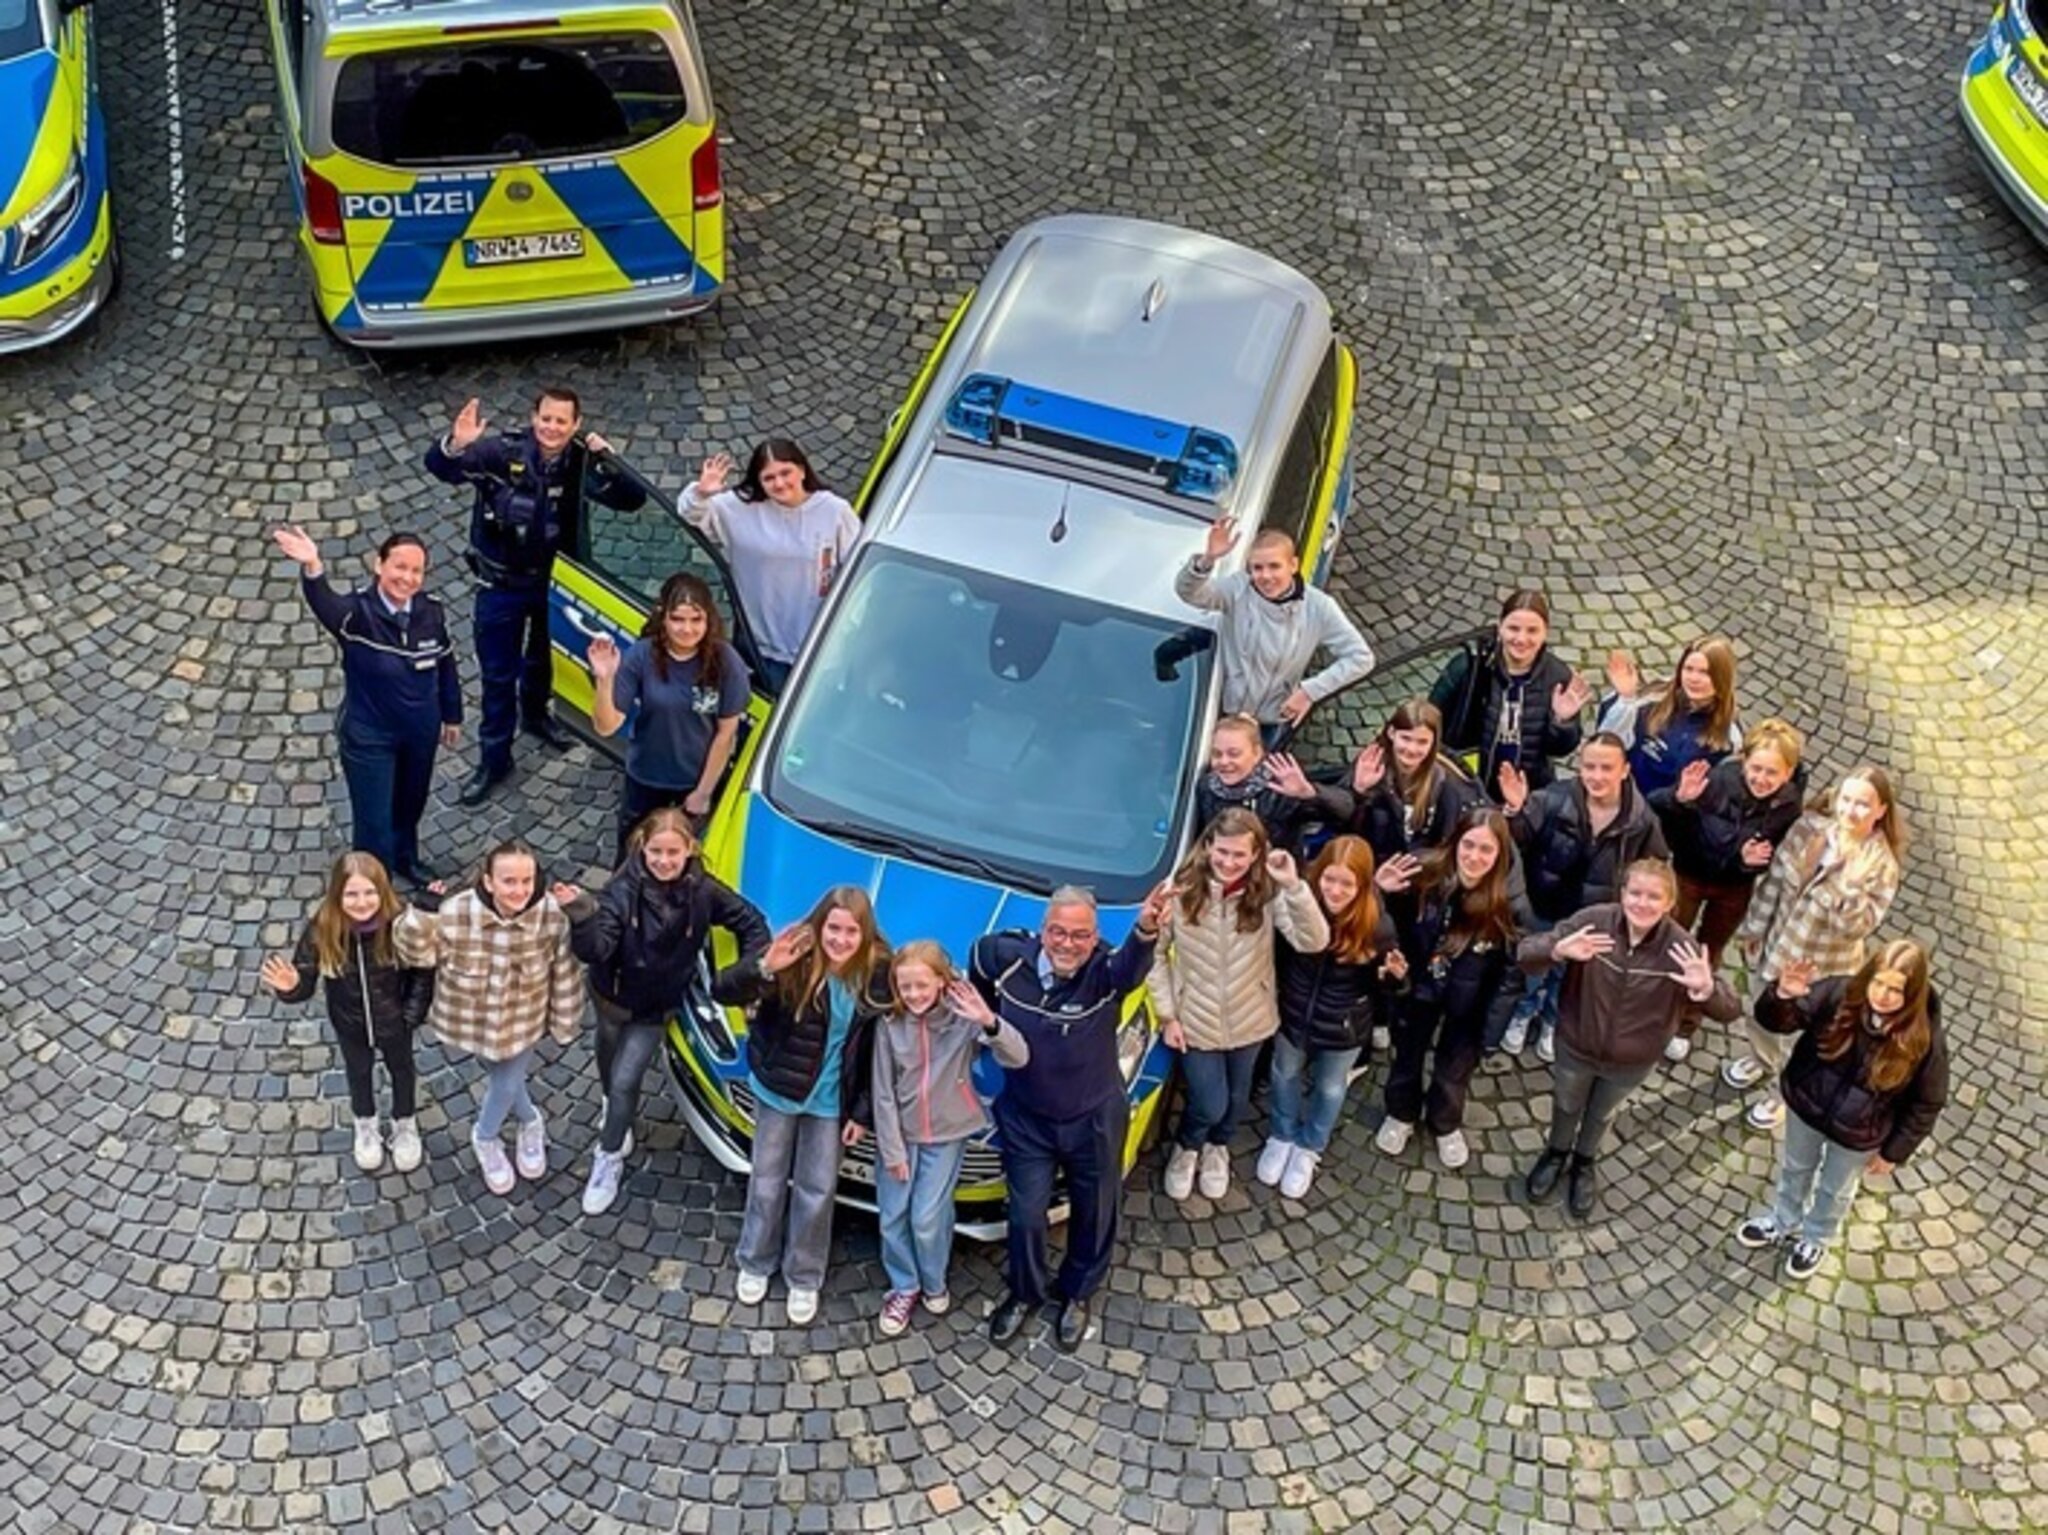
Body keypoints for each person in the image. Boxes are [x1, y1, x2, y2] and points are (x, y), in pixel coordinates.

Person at [971, 879, 1174, 1353]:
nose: (1068, 944)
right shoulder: (1002, 955)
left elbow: (1131, 968)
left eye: (1080, 935)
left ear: (1095, 935)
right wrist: (985, 1026)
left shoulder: (1105, 969)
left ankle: (1078, 1293)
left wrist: (1145, 928)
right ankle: (1024, 1293)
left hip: (1094, 1117)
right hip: (1027, 1117)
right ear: (1043, 930)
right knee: (1025, 1214)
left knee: (1096, 1211)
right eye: (1059, 932)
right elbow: (977, 973)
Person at [423, 390, 635, 806]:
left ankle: (536, 716)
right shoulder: (501, 453)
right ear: (533, 418)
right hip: (500, 587)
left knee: (542, 658)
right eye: (546, 419)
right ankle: (495, 758)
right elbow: (441, 469)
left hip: (553, 584)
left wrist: (610, 462)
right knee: (498, 676)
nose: (552, 428)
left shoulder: (581, 461)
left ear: (576, 424)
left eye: (561, 421)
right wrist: (457, 444)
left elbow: (631, 501)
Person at [557, 809, 770, 1217]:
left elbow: (751, 923)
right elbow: (596, 950)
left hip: (655, 1008)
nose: (664, 861)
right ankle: (613, 1112)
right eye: (656, 851)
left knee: (624, 1081)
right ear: (643, 847)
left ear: (689, 849)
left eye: (673, 852)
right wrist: (583, 915)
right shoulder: (622, 890)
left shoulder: (703, 890)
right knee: (607, 1064)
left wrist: (748, 979)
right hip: (611, 998)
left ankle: (608, 1155)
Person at [1519, 860, 1738, 1218]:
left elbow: (1730, 1010)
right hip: (1577, 1045)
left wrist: (1708, 989)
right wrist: (1557, 951)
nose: (1642, 903)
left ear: (1669, 903)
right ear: (1622, 894)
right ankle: (1556, 1153)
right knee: (1566, 1103)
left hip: (1631, 1061)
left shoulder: (1680, 949)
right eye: (1635, 892)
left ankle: (1584, 1162)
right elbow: (1525, 954)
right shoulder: (1594, 922)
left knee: (1602, 1113)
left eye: (1654, 896)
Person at [714, 886, 890, 1326]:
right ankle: (755, 1261)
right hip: (779, 1090)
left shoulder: (875, 975)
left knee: (817, 1190)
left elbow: (876, 1054)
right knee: (768, 1180)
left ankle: (804, 1276)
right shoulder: (792, 958)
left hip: (832, 1104)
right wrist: (764, 969)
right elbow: (724, 990)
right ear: (819, 925)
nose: (841, 940)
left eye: (851, 932)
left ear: (865, 935)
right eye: (834, 928)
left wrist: (862, 1113)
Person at [1737, 941, 1947, 1283]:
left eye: (1896, 990)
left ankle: (1815, 1237)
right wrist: (1783, 996)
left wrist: (1894, 1152)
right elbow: (1779, 1021)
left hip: (1859, 1134)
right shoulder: (1839, 994)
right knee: (1795, 1168)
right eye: (1878, 982)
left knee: (1835, 1190)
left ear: (1913, 993)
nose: (1882, 995)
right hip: (1808, 1106)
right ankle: (1783, 1220)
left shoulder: (1923, 1039)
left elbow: (1927, 1103)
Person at [1150, 808, 1330, 1204]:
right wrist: (1167, 1014)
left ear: (1255, 855)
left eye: (1239, 855)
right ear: (1209, 845)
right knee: (1209, 1100)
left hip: (1252, 1017)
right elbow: (1155, 956)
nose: (1229, 863)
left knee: (1236, 1099)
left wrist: (1296, 887)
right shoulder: (1180, 891)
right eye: (1223, 852)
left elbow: (1313, 941)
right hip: (1195, 1019)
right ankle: (1188, 1146)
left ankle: (1218, 1147)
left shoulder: (1266, 893)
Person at [393, 840, 585, 1196]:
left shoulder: (551, 916)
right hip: (472, 1021)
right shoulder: (455, 911)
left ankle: (485, 1137)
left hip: (524, 1020)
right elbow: (413, 953)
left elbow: (565, 972)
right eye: (509, 881)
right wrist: (422, 913)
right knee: (504, 1079)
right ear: (489, 881)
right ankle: (530, 1119)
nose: (519, 890)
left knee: (506, 1082)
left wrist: (565, 1022)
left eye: (526, 881)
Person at [272, 527, 460, 887]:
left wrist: (452, 713)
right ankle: (374, 887)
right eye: (399, 567)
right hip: (369, 735)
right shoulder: (356, 613)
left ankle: (407, 859)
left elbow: (445, 662)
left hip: (419, 731)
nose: (407, 578)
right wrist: (313, 565)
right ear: (379, 564)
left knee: (410, 803)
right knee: (374, 819)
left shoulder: (430, 612)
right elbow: (324, 600)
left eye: (416, 571)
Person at [1722, 768, 1905, 1130]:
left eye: (1863, 805)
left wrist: (1849, 889)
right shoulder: (1809, 828)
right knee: (1759, 1012)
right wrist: (1755, 927)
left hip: (1819, 968)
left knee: (1796, 1038)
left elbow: (1856, 929)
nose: (1851, 811)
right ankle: (1762, 1060)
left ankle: (1781, 1093)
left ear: (1881, 811)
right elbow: (1775, 879)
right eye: (1847, 800)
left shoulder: (1880, 867)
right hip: (1776, 946)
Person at [869, 942, 1029, 1337]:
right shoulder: (889, 1025)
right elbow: (882, 1092)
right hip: (901, 1135)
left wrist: (990, 1021)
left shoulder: (963, 1022)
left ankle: (933, 1279)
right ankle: (904, 1286)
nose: (914, 995)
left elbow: (1018, 1056)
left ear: (942, 982)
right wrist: (892, 1149)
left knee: (927, 1216)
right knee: (893, 1215)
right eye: (905, 987)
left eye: (922, 986)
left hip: (947, 1133)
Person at [1498, 731, 1670, 1060]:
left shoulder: (1641, 821)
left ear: (1625, 770)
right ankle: (1524, 1012)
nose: (1597, 776)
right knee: (1535, 966)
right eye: (1589, 767)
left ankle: (1552, 1019)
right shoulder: (1553, 799)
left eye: (1607, 768)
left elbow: (1655, 865)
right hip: (1543, 906)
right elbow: (1517, 841)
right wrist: (1516, 812)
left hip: (1595, 917)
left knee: (1570, 975)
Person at [260, 852, 433, 1174]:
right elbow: (305, 980)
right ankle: (365, 1124)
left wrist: (410, 1016)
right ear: (337, 894)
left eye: (369, 892)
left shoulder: (400, 924)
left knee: (402, 1070)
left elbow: (423, 972)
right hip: (349, 1023)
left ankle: (404, 1123)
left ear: (383, 892)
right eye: (352, 893)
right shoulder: (322, 929)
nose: (362, 901)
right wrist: (291, 986)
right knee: (359, 1072)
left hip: (396, 1021)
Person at [1646, 720, 1806, 1062]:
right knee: (1669, 938)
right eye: (1756, 769)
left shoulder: (1790, 806)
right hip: (1689, 873)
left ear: (1788, 773)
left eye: (1772, 773)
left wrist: (1751, 863)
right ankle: (1650, 1003)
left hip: (1734, 887)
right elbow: (1684, 830)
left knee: (1709, 952)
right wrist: (1683, 800)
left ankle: (1686, 1021)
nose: (1761, 779)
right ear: (1744, 761)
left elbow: (1773, 857)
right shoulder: (1717, 780)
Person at [1375, 808, 1523, 1171]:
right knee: (1407, 1054)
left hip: (1469, 998)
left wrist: (1492, 1031)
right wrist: (1379, 891)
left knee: (1455, 1068)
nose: (1474, 857)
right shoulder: (1424, 872)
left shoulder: (1510, 901)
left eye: (1485, 850)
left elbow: (1511, 973)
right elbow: (1385, 922)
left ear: (1500, 855)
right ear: (1456, 842)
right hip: (1419, 985)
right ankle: (1401, 1112)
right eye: (1468, 845)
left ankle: (1444, 1122)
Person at [1264, 835, 1405, 1198]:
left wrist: (1394, 980)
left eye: (1347, 883)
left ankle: (1311, 1146)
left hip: (1343, 1023)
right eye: (1330, 878)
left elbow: (1386, 991)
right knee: (1284, 1073)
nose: (1337, 890)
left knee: (1329, 1087)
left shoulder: (1378, 924)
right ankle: (1282, 1134)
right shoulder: (1300, 904)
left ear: (1362, 884)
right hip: (1294, 1011)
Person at [585, 572, 751, 859]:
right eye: (678, 619)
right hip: (647, 778)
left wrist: (703, 792)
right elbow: (606, 726)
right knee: (633, 857)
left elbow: (726, 734)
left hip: (695, 781)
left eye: (696, 620)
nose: (687, 629)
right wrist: (605, 680)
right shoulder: (640, 656)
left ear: (708, 619)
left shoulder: (726, 662)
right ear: (663, 617)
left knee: (682, 862)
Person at [1173, 513, 1375, 740]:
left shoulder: (1320, 608)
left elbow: (1361, 657)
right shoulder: (1238, 589)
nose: (1265, 576)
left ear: (1293, 565)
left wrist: (1310, 691)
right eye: (1257, 568)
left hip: (1271, 721)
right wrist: (1208, 559)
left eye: (1274, 566)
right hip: (1223, 712)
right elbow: (1190, 594)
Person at [680, 439, 861, 693]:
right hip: (759, 644)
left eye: (785, 472)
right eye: (769, 477)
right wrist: (701, 493)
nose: (779, 483)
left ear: (802, 470)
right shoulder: (739, 508)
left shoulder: (834, 511)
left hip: (819, 645)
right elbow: (692, 514)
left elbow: (858, 570)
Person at [1429, 589, 1590, 803]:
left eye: (1532, 631)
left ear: (1545, 633)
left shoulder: (1558, 678)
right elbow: (1429, 719)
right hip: (1467, 786)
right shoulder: (1469, 668)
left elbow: (1560, 750)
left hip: (1527, 792)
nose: (1521, 639)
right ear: (1500, 627)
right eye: (1513, 628)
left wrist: (1562, 722)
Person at [1314, 698, 1483, 865]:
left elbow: (1449, 840)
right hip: (1372, 867)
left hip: (1421, 871)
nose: (1412, 749)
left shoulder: (1447, 780)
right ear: (1392, 733)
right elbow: (1343, 827)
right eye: (1406, 738)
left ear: (1434, 744)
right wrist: (1358, 791)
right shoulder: (1370, 765)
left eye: (1422, 742)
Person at [1597, 636, 1743, 799]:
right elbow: (1606, 740)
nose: (1694, 679)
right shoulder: (1652, 696)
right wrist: (1625, 700)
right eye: (1688, 669)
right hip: (1622, 799)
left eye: (1705, 672)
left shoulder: (1731, 736)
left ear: (1722, 678)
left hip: (1667, 816)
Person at [1192, 714, 1347, 855]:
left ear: (1257, 753)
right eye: (1217, 754)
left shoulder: (1281, 789)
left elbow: (1344, 810)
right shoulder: (1206, 787)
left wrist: (1310, 793)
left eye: (1234, 754)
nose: (1224, 762)